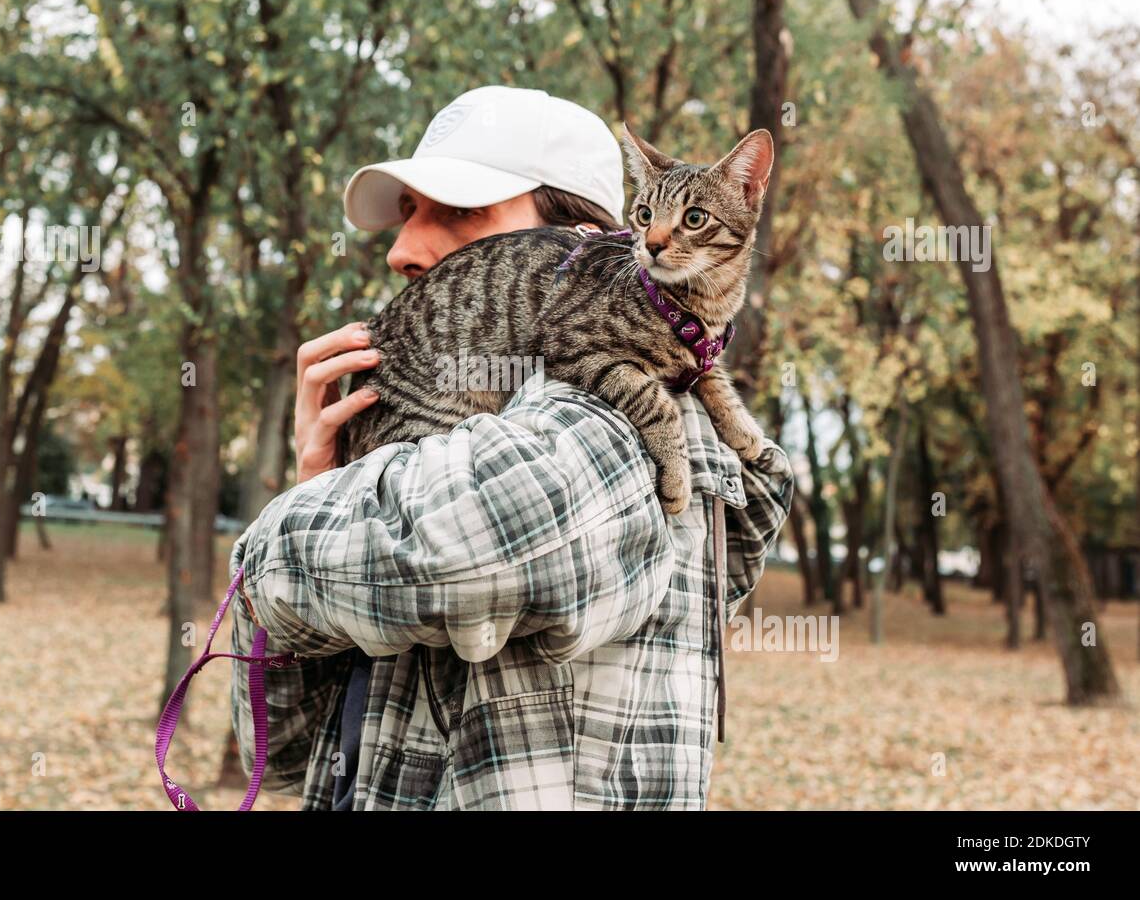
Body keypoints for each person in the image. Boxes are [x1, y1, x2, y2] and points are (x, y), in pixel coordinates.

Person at [229, 85, 793, 810]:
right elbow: (278, 756)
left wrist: (287, 523)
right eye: (406, 215)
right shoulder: (429, 461)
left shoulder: (610, 427)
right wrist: (320, 479)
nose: (403, 251)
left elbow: (449, 559)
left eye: (460, 211)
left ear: (580, 244)